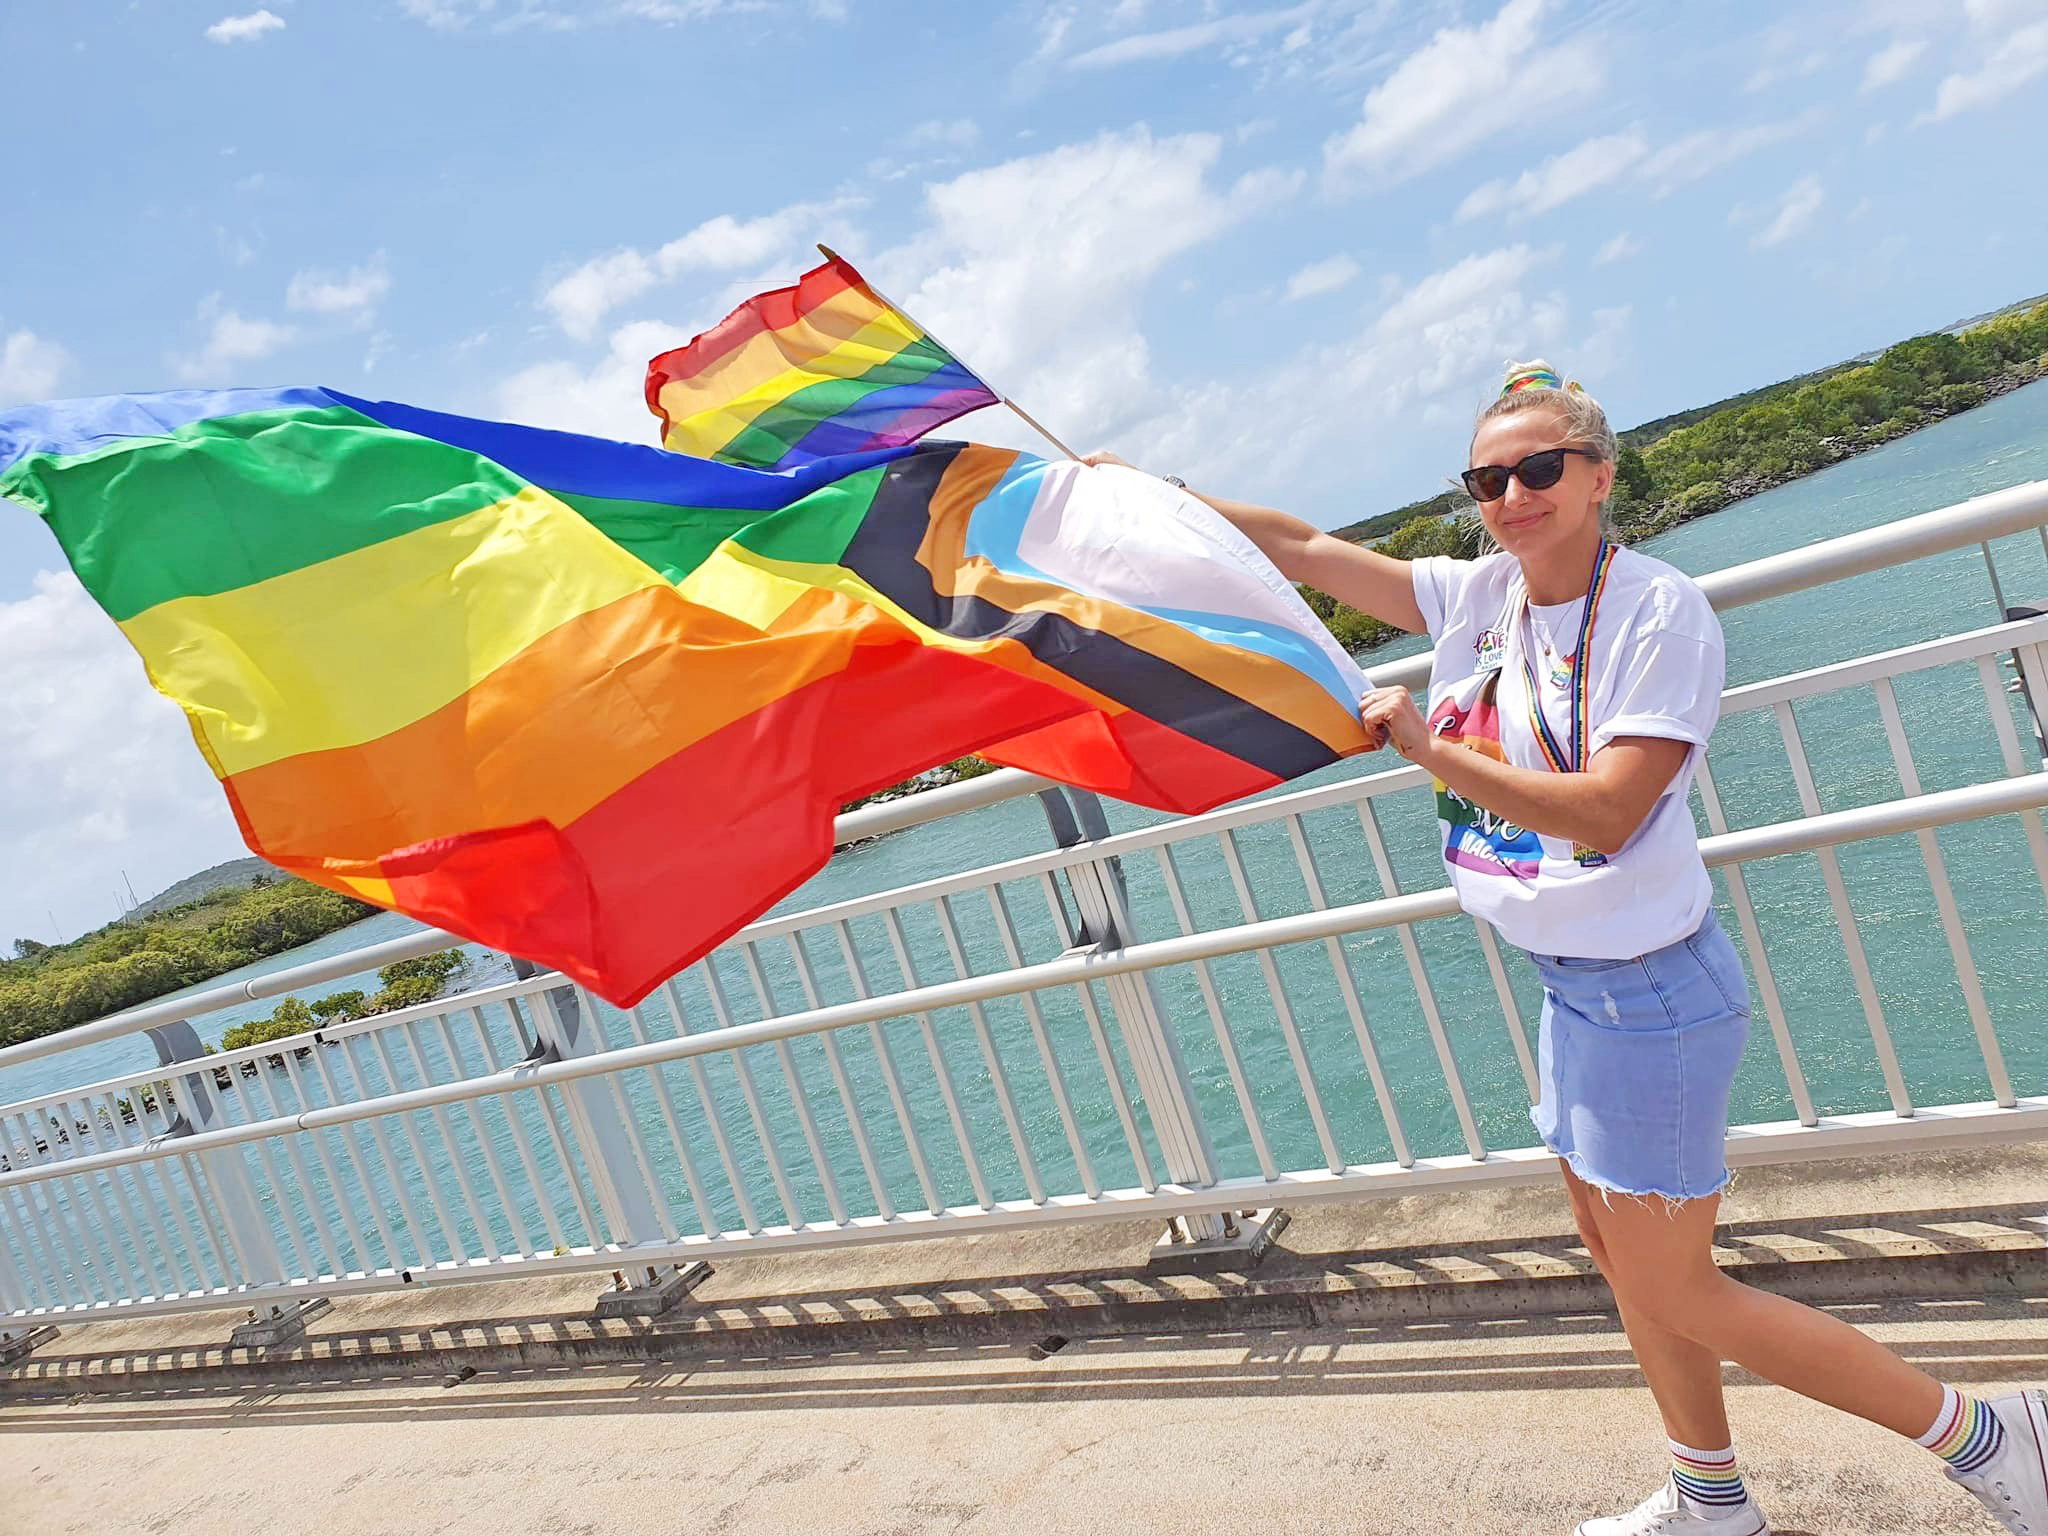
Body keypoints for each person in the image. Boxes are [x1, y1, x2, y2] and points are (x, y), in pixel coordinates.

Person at [1085, 360, 2048, 1536]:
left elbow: (1608, 811)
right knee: (1618, 1257)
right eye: (1485, 477)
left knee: (1679, 1288)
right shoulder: (1478, 596)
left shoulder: (1654, 611)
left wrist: (1429, 755)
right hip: (1567, 987)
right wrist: (1148, 498)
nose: (1510, 494)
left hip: (1648, 995)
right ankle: (1709, 1495)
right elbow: (1292, 545)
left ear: (1597, 474)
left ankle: (1989, 1435)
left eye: (1538, 468)